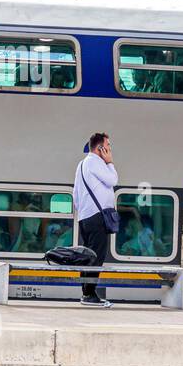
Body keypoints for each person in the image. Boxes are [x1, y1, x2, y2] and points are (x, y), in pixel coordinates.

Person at [73, 132, 117, 308]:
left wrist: (83, 211)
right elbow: (113, 180)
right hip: (96, 218)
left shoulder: (82, 164)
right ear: (100, 148)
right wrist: (110, 162)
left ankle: (87, 292)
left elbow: (75, 194)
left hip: (85, 217)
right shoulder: (96, 162)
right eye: (108, 146)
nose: (110, 149)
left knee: (89, 256)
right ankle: (89, 294)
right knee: (96, 256)